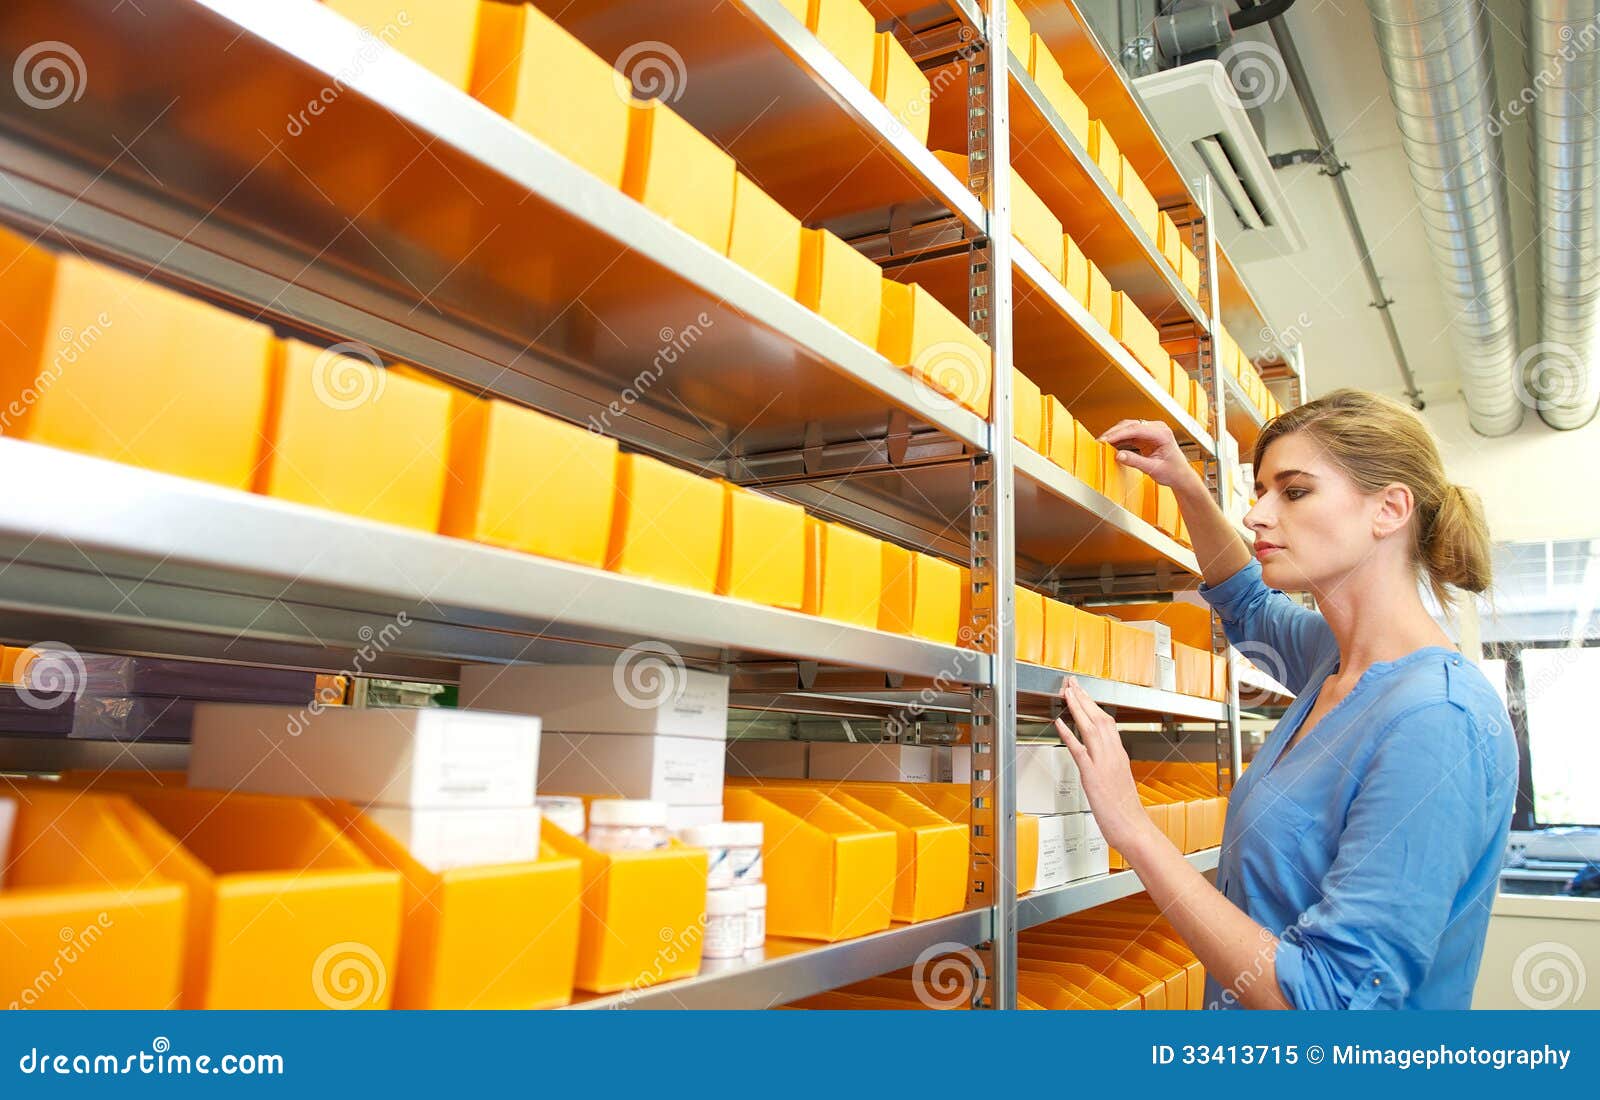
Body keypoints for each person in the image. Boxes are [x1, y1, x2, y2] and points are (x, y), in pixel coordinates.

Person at [1056, 389, 1518, 1010]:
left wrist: (1132, 828)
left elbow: (1329, 1003)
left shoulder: (1437, 719)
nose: (1256, 515)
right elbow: (1246, 602)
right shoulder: (1335, 659)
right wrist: (1187, 487)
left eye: (1294, 492)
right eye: (1262, 491)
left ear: (1390, 509)